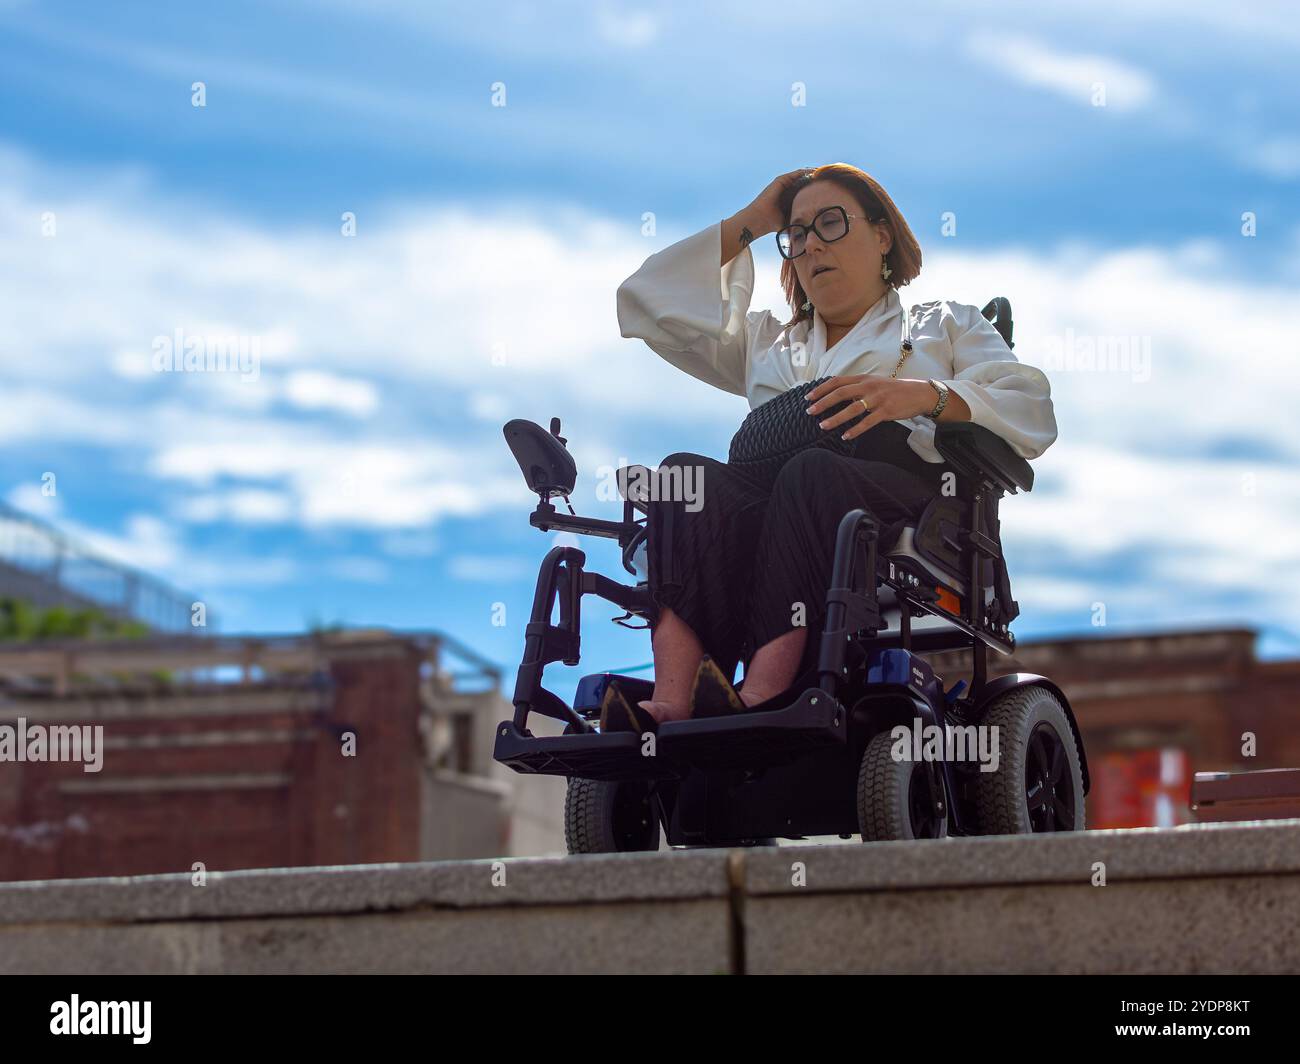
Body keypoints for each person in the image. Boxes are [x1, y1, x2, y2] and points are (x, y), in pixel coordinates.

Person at [615, 163, 1058, 724]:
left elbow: (1031, 405)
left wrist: (922, 397)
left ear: (881, 236)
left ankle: (765, 692)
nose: (811, 246)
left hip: (906, 498)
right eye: (796, 235)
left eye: (830, 224)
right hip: (777, 500)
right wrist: (752, 221)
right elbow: (643, 303)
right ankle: (673, 700)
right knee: (685, 480)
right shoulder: (768, 342)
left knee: (811, 472)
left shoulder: (943, 324)